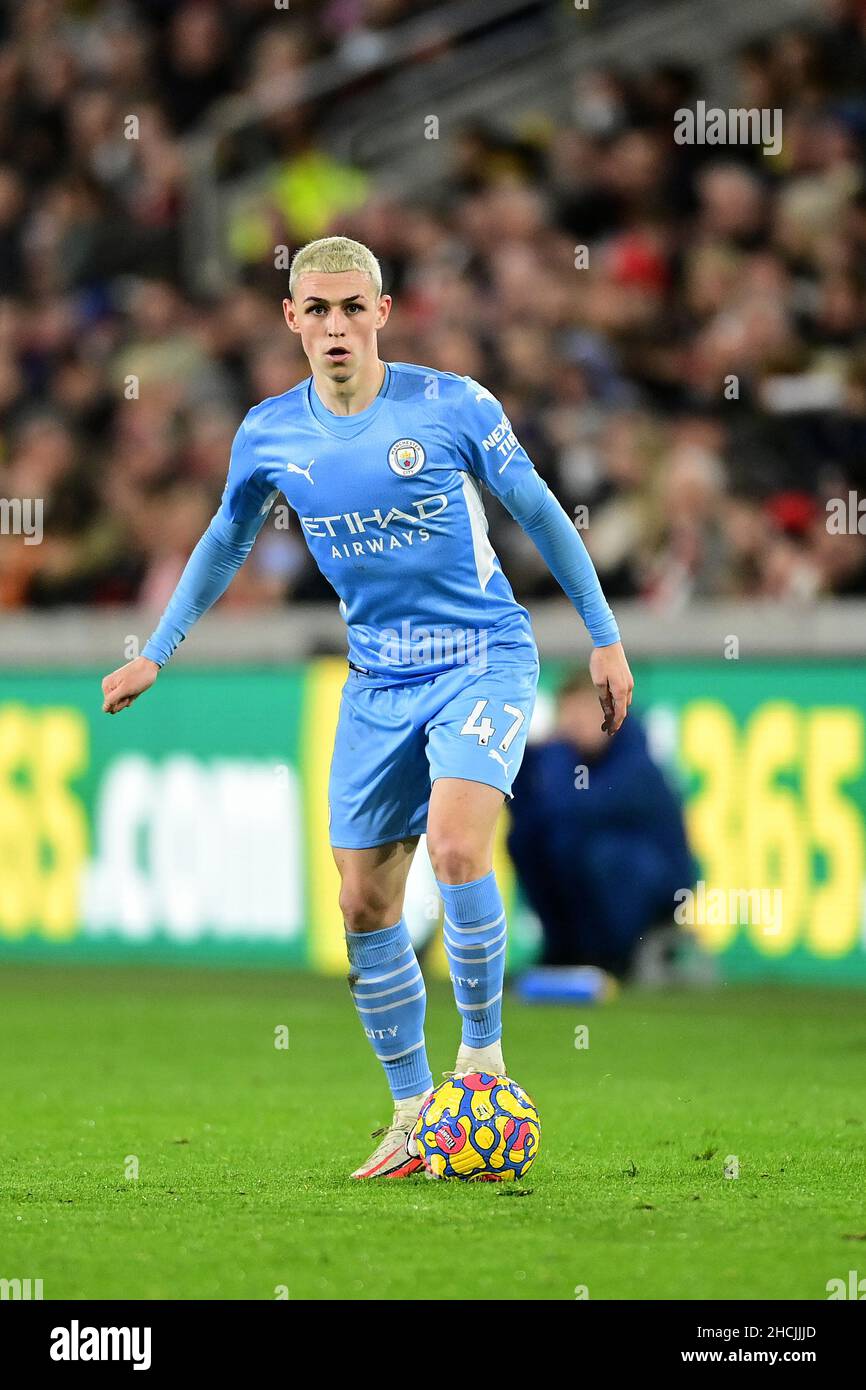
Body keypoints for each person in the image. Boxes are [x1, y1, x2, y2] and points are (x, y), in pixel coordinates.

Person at [100, 236, 633, 1178]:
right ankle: (408, 1112)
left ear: (384, 313)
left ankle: (481, 1064)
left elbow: (542, 512)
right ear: (292, 320)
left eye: (354, 308)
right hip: (378, 681)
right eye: (319, 309)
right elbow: (225, 540)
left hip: (480, 659)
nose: (336, 325)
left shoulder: (451, 406)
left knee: (459, 843)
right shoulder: (270, 433)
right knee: (362, 901)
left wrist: (602, 632)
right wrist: (156, 651)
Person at [507, 670, 696, 979]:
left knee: (594, 851)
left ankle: (611, 956)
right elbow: (526, 807)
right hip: (601, 861)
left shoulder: (634, 758)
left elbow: (576, 807)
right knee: (526, 841)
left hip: (659, 879)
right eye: (567, 713)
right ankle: (565, 949)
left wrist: (551, 757)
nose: (573, 723)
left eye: (582, 711)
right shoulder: (569, 756)